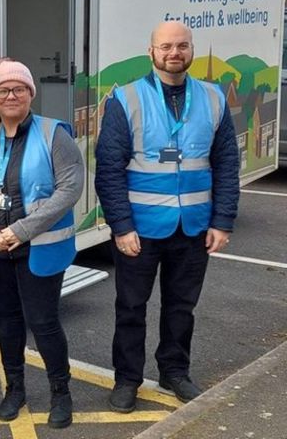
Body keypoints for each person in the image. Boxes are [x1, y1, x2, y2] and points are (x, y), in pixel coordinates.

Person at [95, 21, 239, 413]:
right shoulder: (126, 100)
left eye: (182, 46)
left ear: (191, 50)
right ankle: (127, 379)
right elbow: (108, 169)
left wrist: (222, 221)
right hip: (139, 230)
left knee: (181, 307)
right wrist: (121, 227)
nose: (174, 53)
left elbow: (227, 164)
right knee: (130, 308)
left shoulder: (212, 99)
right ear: (151, 52)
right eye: (166, 47)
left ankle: (174, 371)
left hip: (193, 227)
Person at [0, 58, 84, 429]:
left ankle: (61, 392)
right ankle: (15, 389)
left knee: (43, 322)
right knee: (7, 321)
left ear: (30, 95)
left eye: (19, 89)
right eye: (3, 90)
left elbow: (70, 188)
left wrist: (21, 230)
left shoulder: (53, 134)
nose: (12, 95)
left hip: (37, 248)